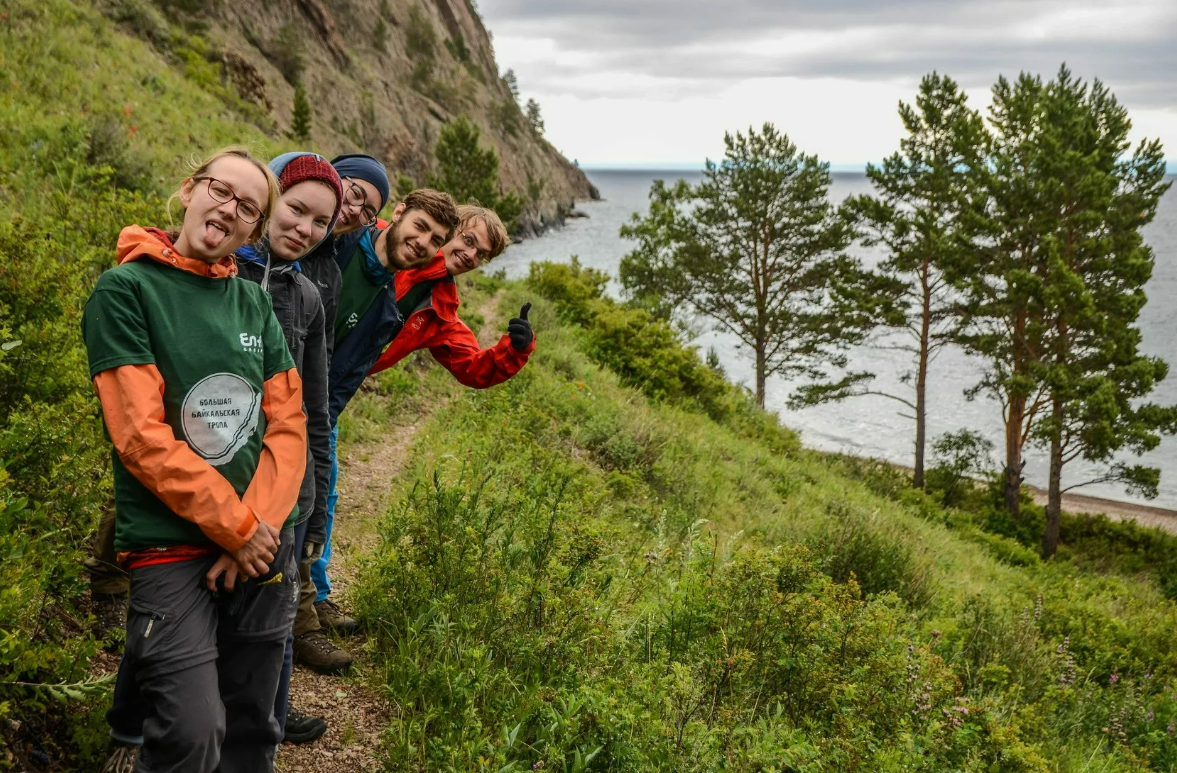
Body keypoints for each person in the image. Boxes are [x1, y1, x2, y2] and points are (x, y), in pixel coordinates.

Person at [84, 147, 306, 773]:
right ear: (189, 191)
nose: (228, 208)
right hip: (170, 543)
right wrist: (233, 528)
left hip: (260, 540)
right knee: (191, 731)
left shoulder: (253, 303)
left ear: (254, 231)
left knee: (252, 727)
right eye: (219, 189)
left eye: (247, 207)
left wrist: (255, 531)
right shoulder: (125, 290)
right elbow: (139, 436)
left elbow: (288, 425)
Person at [306, 187, 458, 639]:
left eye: (436, 240)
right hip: (260, 381)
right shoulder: (339, 242)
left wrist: (320, 424)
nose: (424, 243)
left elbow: (347, 374)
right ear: (399, 213)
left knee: (316, 500)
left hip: (313, 410)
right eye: (421, 228)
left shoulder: (389, 304)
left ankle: (305, 608)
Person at [234, 153, 343, 744]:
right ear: (270, 201)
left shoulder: (307, 298)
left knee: (271, 628)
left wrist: (316, 507)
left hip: (286, 498)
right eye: (295, 209)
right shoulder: (217, 271)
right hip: (213, 489)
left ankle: (266, 732)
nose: (304, 228)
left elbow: (317, 416)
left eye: (319, 222)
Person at [289, 154, 392, 671]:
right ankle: (109, 580)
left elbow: (321, 351)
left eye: (366, 208)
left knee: (308, 506)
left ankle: (303, 617)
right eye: (352, 192)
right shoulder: (294, 237)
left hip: (307, 402)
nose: (353, 208)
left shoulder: (327, 265)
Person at [368, 205, 535, 384]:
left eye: (480, 254)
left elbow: (471, 367)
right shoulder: (383, 236)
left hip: (342, 377)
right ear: (451, 229)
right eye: (469, 240)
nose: (471, 255)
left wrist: (516, 350)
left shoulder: (442, 310)